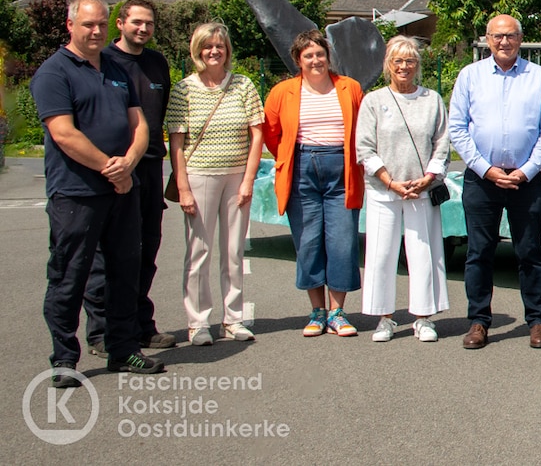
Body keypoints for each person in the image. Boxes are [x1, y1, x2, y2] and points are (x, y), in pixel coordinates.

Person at [30, 0, 164, 386]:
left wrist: (130, 164)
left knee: (126, 272)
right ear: (70, 25)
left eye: (101, 24)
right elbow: (63, 133)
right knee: (70, 275)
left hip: (124, 189)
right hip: (77, 193)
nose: (95, 31)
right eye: (88, 24)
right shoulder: (54, 73)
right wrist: (111, 167)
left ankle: (123, 349)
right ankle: (64, 359)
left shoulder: (116, 67)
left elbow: (140, 124)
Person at [448, 14, 541, 350]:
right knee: (479, 253)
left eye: (510, 36)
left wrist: (527, 169)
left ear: (520, 39)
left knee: (531, 253)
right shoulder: (470, 76)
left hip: (527, 180)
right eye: (497, 36)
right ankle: (479, 321)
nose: (504, 42)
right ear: (487, 39)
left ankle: (537, 320)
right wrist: (486, 169)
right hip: (482, 180)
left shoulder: (538, 77)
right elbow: (457, 128)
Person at [84, 0, 178, 356]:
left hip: (151, 164)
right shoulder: (103, 62)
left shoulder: (156, 63)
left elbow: (159, 112)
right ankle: (100, 331)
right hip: (114, 168)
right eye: (136, 22)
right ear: (120, 23)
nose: (143, 29)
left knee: (145, 251)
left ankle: (140, 323)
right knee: (105, 254)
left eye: (149, 23)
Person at [165, 23, 264, 346]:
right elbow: (176, 143)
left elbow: (257, 134)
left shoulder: (243, 85)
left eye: (220, 46)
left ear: (227, 51)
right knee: (199, 252)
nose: (214, 51)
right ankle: (198, 322)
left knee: (233, 251)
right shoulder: (184, 89)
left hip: (236, 176)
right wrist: (183, 188)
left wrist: (249, 180)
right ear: (197, 50)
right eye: (208, 46)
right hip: (199, 176)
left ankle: (233, 319)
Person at [264, 29, 365, 338]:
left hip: (342, 168)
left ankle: (337, 311)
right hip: (302, 168)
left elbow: (363, 128)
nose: (315, 60)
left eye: (320, 54)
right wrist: (290, 158)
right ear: (298, 59)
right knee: (308, 241)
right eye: (308, 55)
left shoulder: (350, 88)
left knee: (342, 240)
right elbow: (272, 133)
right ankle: (317, 311)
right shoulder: (283, 92)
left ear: (328, 56)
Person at [356, 36, 451, 343]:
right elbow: (364, 148)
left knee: (423, 253)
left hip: (421, 190)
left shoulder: (432, 100)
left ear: (417, 65)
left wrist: (428, 178)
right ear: (388, 65)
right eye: (398, 61)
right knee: (381, 254)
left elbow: (442, 144)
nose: (404, 67)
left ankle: (423, 317)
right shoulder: (374, 101)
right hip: (385, 190)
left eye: (410, 61)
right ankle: (383, 317)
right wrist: (389, 181)